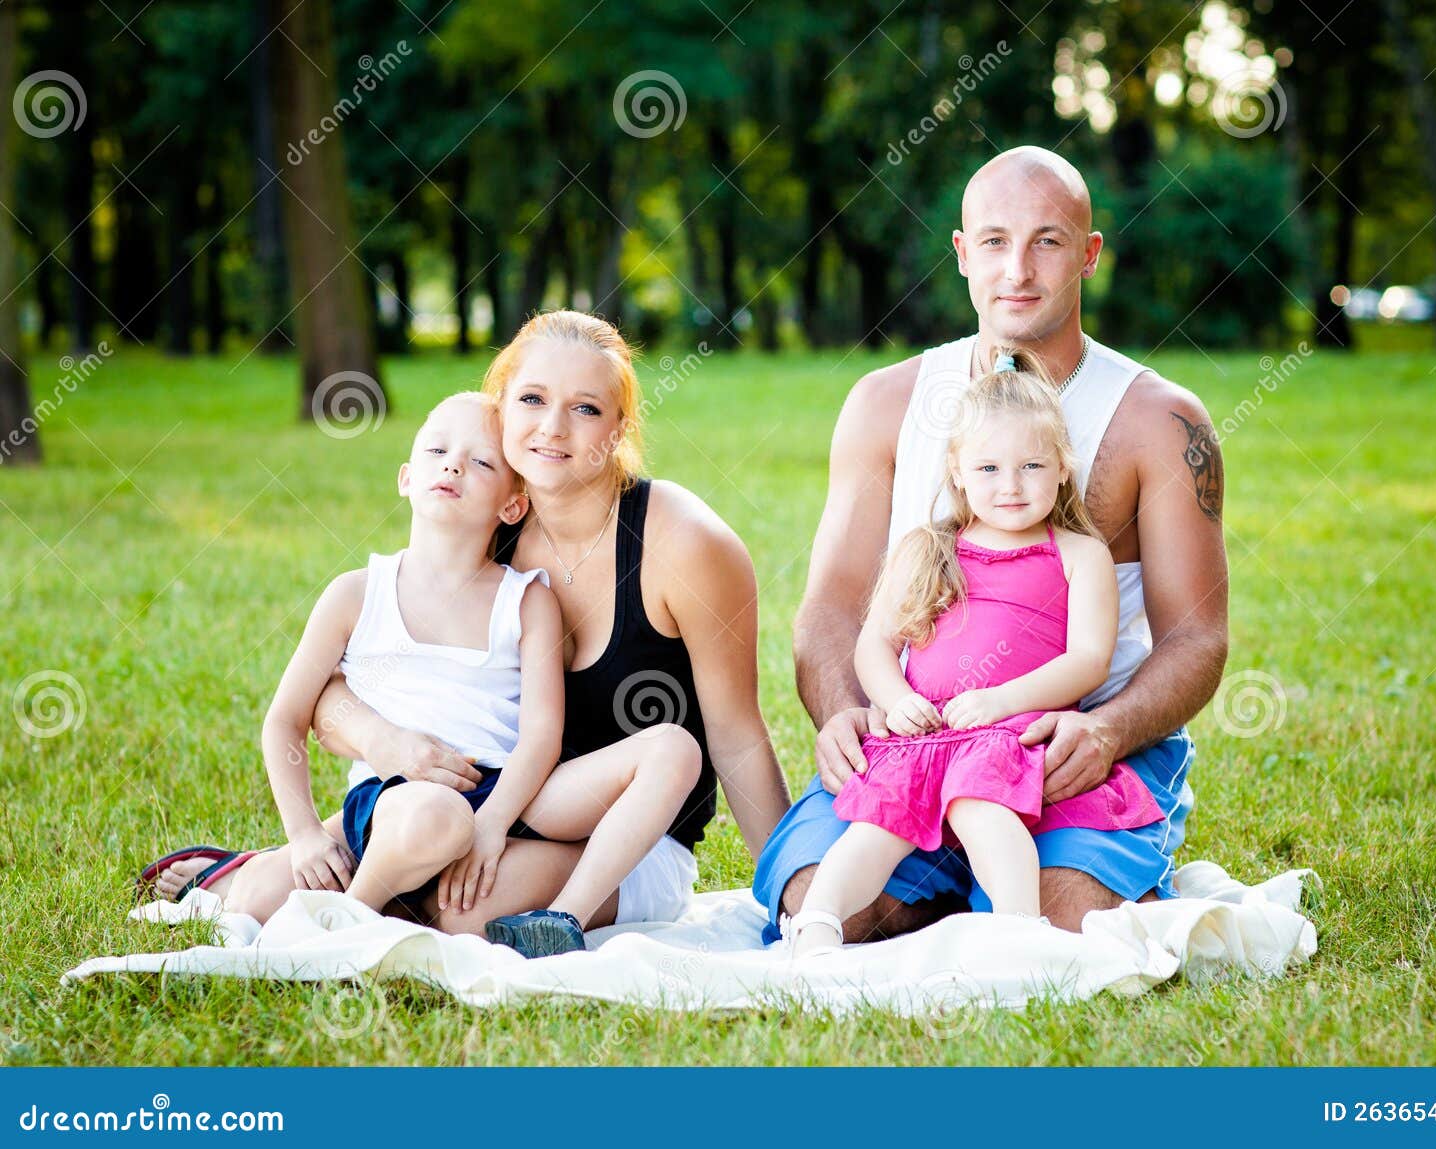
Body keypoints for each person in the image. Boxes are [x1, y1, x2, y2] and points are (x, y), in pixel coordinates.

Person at [144, 311, 792, 943]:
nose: (552, 428)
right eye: (532, 399)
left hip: (616, 833)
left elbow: (736, 735)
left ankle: (330, 894)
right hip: (464, 798)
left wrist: (790, 895)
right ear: (501, 407)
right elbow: (335, 689)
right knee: (387, 858)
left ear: (620, 428)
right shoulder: (484, 526)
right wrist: (389, 742)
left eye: (586, 408)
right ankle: (264, 876)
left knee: (463, 916)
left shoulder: (681, 540)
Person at [754, 145, 1230, 943]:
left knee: (1066, 918)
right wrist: (846, 713)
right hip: (918, 741)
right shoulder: (884, 402)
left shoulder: (1161, 420)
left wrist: (1107, 730)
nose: (1019, 268)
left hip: (1066, 746)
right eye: (996, 240)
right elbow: (830, 610)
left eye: (1047, 240)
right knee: (821, 904)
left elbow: (1198, 637)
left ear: (1089, 254)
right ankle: (951, 879)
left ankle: (1052, 875)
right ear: (962, 252)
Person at [786, 352, 1164, 956]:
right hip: (927, 729)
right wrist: (897, 698)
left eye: (1031, 465)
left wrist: (998, 701)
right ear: (957, 472)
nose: (1010, 485)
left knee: (977, 801)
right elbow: (874, 647)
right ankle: (818, 925)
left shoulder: (1076, 553)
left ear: (1063, 469)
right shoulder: (928, 549)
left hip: (1011, 731)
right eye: (988, 467)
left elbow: (1088, 659)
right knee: (877, 822)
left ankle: (1017, 932)